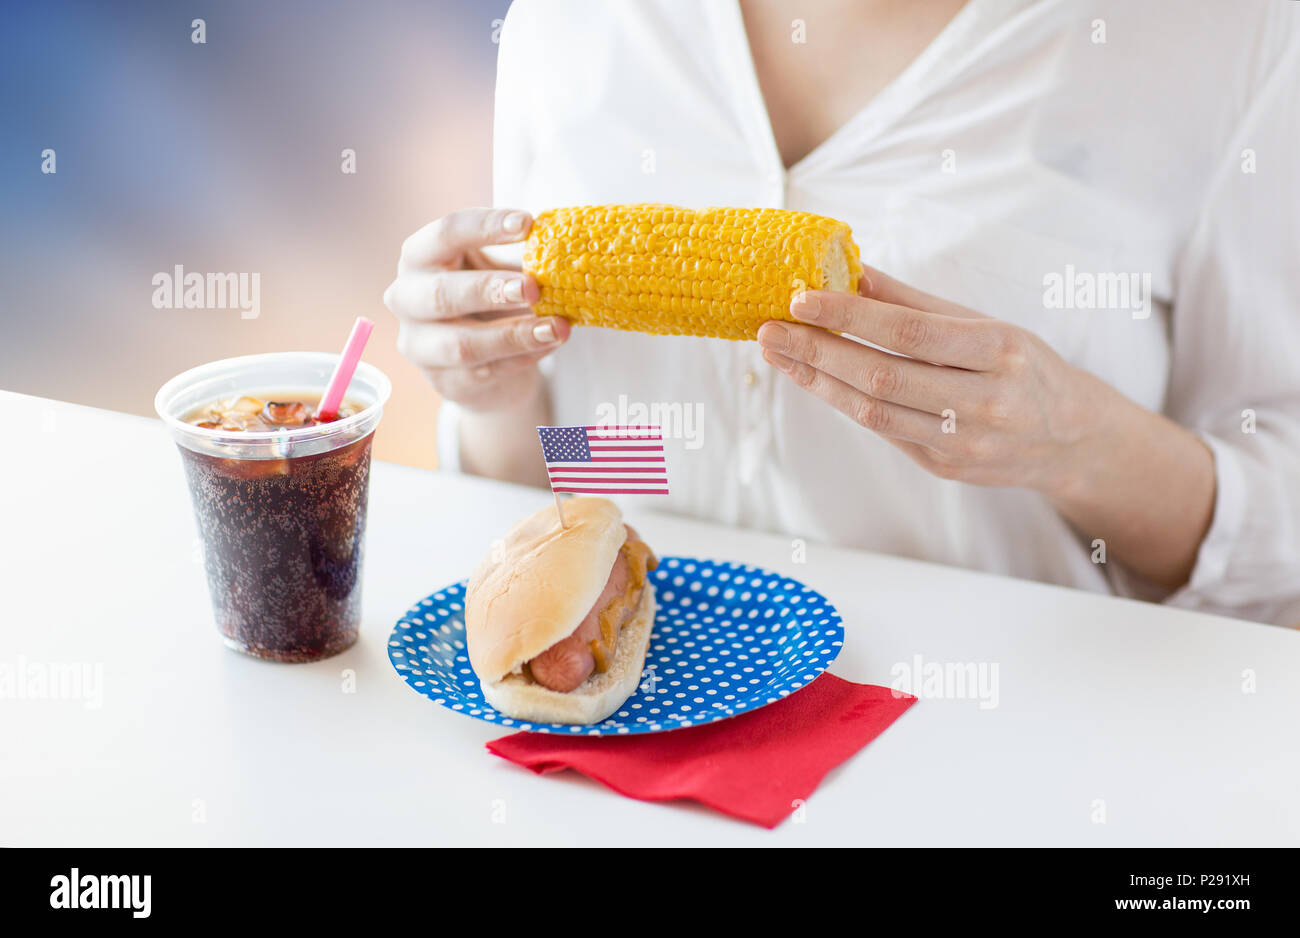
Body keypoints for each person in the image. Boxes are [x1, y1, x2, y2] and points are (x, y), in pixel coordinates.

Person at [384, 0, 1300, 626]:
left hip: (1008, 743)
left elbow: (1281, 524)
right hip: (629, 709)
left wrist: (1082, 446)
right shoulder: (574, 22)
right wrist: (493, 400)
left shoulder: (1228, 38)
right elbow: (594, 463)